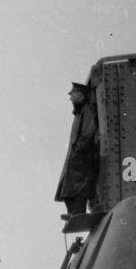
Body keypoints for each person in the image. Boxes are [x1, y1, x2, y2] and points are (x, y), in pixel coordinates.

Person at [55, 82, 99, 216]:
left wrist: (78, 149)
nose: (70, 97)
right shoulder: (81, 112)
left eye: (72, 94)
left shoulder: (87, 111)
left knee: (79, 186)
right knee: (68, 186)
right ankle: (73, 212)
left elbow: (88, 132)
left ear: (80, 95)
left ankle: (77, 211)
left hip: (82, 156)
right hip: (76, 155)